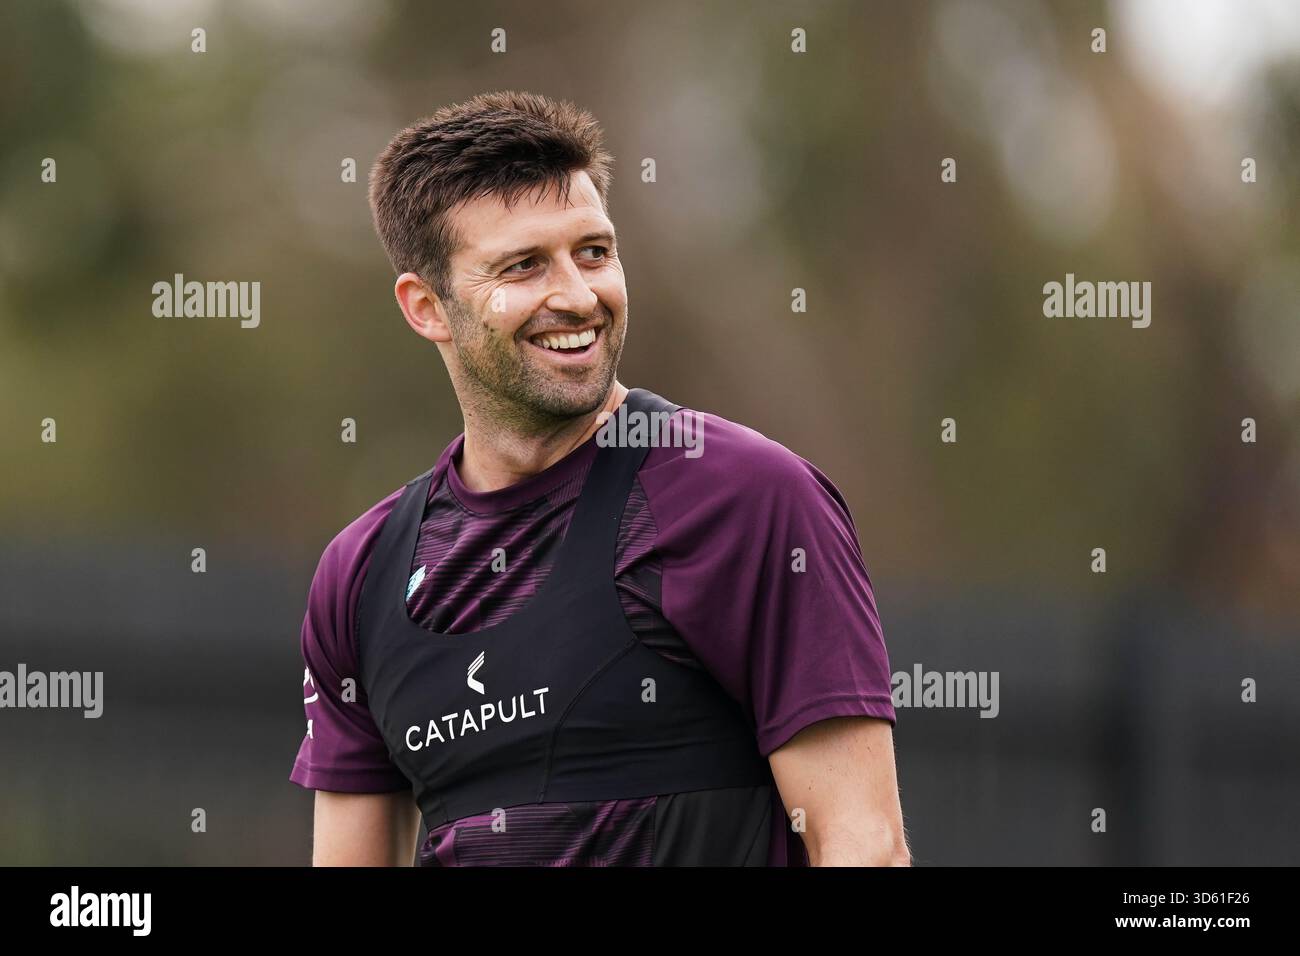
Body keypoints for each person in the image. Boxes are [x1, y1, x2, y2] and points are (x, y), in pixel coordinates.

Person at [290, 90, 908, 867]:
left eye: (594, 251)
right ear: (426, 307)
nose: (579, 296)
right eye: (523, 265)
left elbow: (862, 844)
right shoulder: (362, 574)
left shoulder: (745, 500)